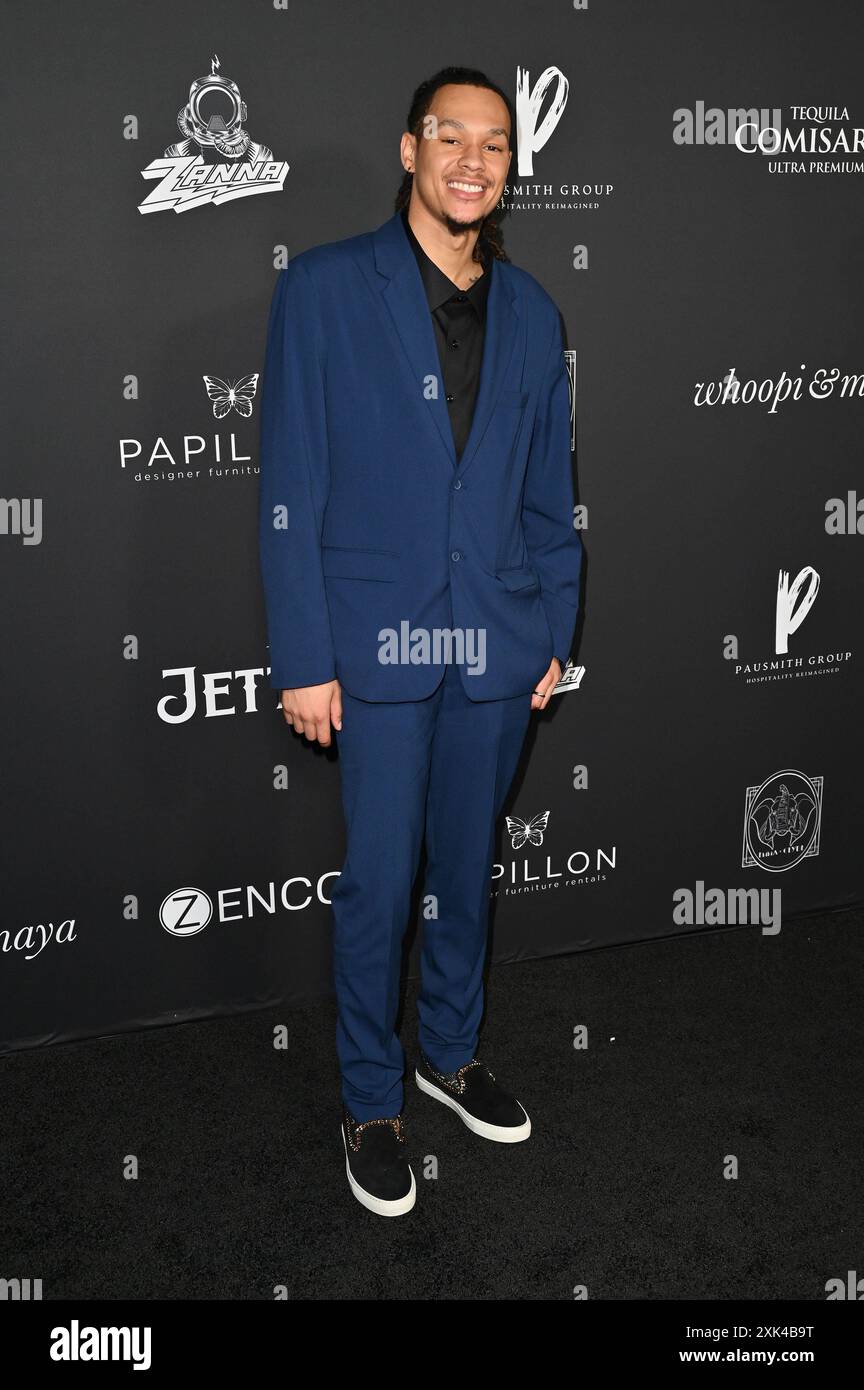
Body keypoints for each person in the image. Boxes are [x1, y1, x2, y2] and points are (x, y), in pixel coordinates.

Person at [258, 66, 582, 1216]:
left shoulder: (537, 311)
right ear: (410, 149)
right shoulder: (327, 290)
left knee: (464, 878)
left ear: (509, 165)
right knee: (382, 886)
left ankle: (449, 1052)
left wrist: (553, 625)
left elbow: (552, 496)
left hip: (498, 646)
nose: (473, 159)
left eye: (494, 143)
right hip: (373, 648)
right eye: (452, 136)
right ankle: (370, 1097)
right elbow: (290, 482)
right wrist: (303, 654)